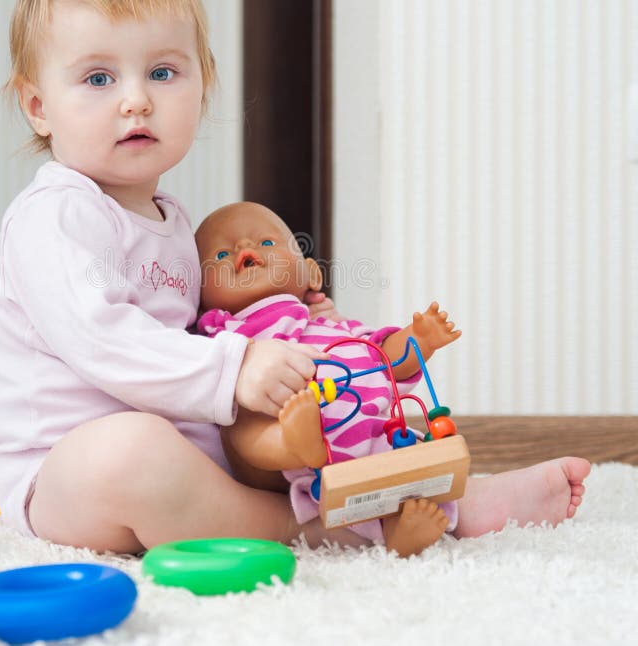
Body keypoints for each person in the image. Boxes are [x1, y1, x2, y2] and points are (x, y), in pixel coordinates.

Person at [0, 0, 589, 558]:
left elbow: (196, 332)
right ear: (38, 108)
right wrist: (237, 366)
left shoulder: (171, 221)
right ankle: (316, 528)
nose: (135, 99)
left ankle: (432, 497)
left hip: (191, 448)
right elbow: (100, 337)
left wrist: (293, 323)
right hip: (66, 475)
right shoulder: (55, 216)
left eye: (163, 73)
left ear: (203, 84)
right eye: (99, 78)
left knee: (309, 409)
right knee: (132, 452)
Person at [195, 201, 591, 555]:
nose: (245, 251)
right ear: (200, 296)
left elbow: (385, 358)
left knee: (414, 473)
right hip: (292, 446)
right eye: (222, 253)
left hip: (378, 435)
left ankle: (412, 523)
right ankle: (297, 444)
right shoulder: (228, 335)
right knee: (243, 421)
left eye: (266, 244)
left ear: (311, 273)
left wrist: (418, 340)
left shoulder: (338, 326)